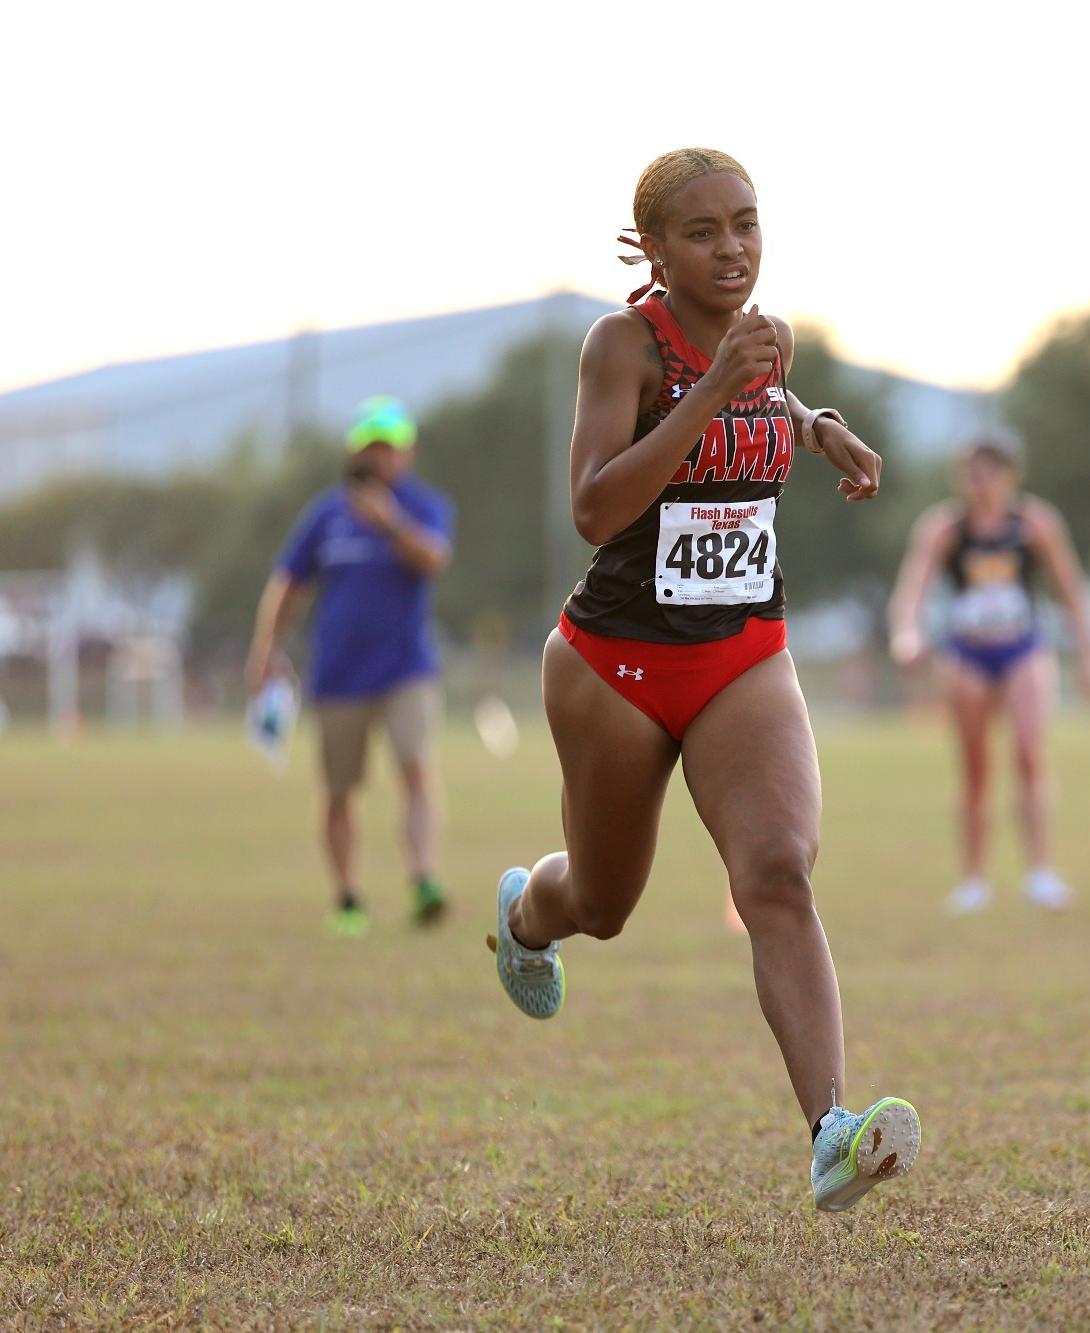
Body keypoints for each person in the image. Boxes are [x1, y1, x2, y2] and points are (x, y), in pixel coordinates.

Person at [488, 148, 920, 1213]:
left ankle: (829, 1129)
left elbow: (761, 398)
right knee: (603, 901)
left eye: (745, 224)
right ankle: (524, 916)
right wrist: (716, 392)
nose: (731, 250)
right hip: (616, 668)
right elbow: (593, 509)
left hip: (739, 655)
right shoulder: (620, 346)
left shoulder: (758, 338)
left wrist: (813, 428)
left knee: (775, 870)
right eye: (701, 233)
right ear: (652, 247)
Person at [246, 397, 454, 937]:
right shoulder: (327, 515)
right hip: (338, 674)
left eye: (389, 447)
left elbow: (433, 558)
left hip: (406, 668)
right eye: (370, 447)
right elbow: (288, 581)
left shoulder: (422, 506)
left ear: (406, 453)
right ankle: (346, 897)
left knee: (415, 766)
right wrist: (266, 648)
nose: (380, 458)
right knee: (339, 789)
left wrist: (390, 523)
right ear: (354, 452)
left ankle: (424, 877)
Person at [888, 435, 1090, 915]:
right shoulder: (945, 528)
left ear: (1009, 474)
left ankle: (1040, 874)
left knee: (1029, 753)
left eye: (987, 469)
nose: (978, 479)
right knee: (974, 769)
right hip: (968, 654)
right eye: (970, 469)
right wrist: (907, 634)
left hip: (1023, 649)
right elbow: (913, 589)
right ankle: (973, 881)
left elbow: (1070, 589)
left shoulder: (1034, 524)